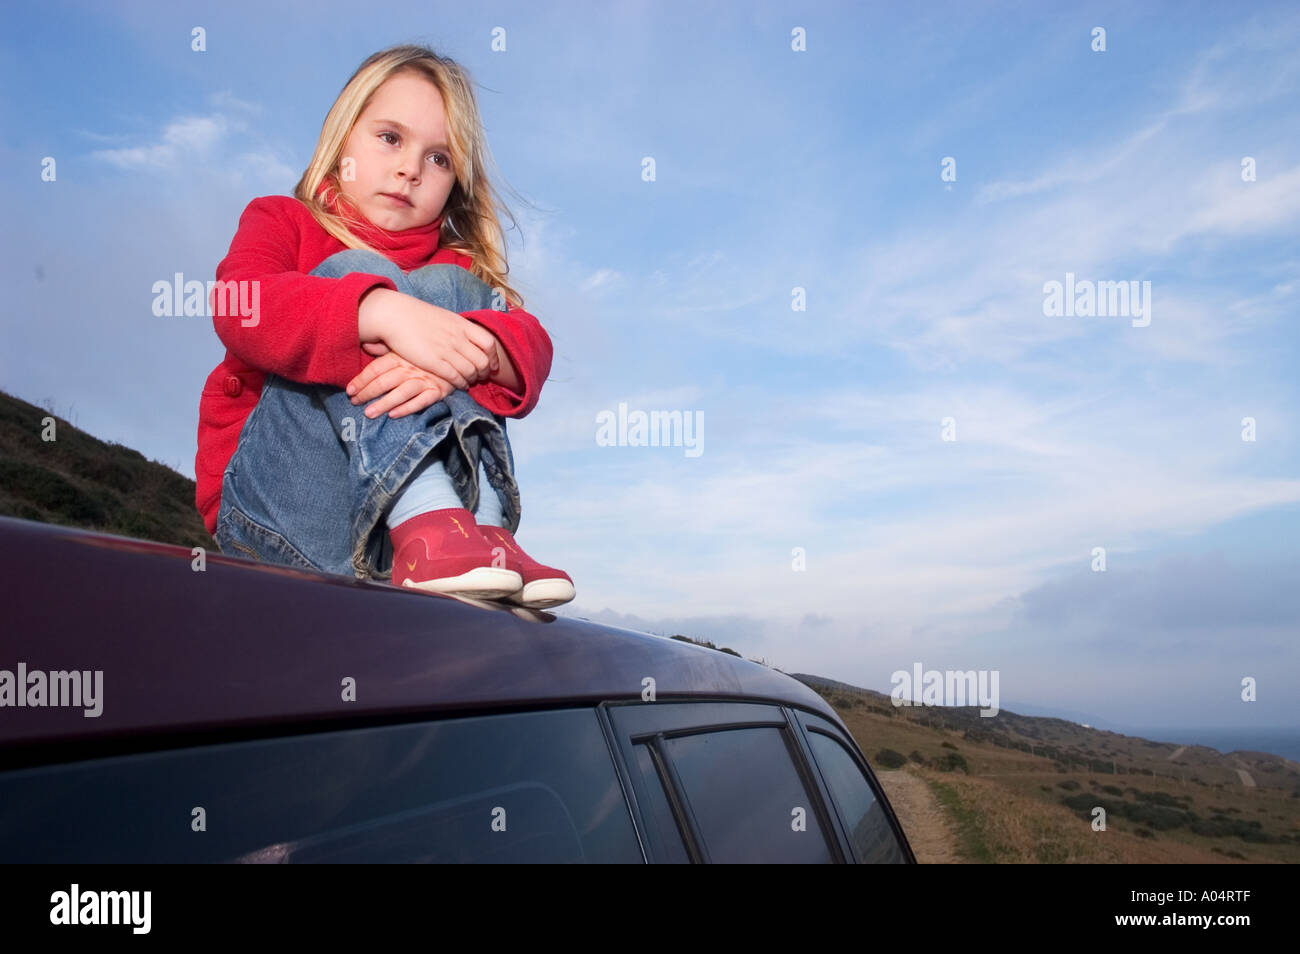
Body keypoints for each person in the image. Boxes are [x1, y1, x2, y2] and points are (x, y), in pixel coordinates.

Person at [193, 44, 574, 609]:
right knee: (363, 274)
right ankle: (428, 516)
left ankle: (485, 530)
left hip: (398, 549)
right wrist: (381, 315)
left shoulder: (456, 270)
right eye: (390, 137)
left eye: (439, 158)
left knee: (461, 296)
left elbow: (535, 345)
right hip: (283, 516)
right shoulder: (284, 219)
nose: (410, 169)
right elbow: (240, 303)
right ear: (343, 138)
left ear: (454, 186)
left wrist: (471, 354)